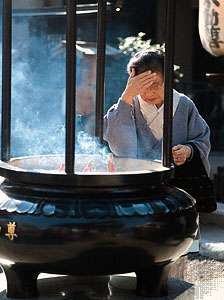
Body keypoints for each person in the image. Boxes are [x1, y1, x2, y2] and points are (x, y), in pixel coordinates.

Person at [104, 49, 217, 213]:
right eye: (144, 86)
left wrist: (188, 150)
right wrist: (127, 95)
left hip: (176, 186)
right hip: (139, 186)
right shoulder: (127, 105)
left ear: (168, 80)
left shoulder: (183, 105)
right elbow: (123, 149)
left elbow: (202, 139)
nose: (149, 92)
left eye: (155, 85)